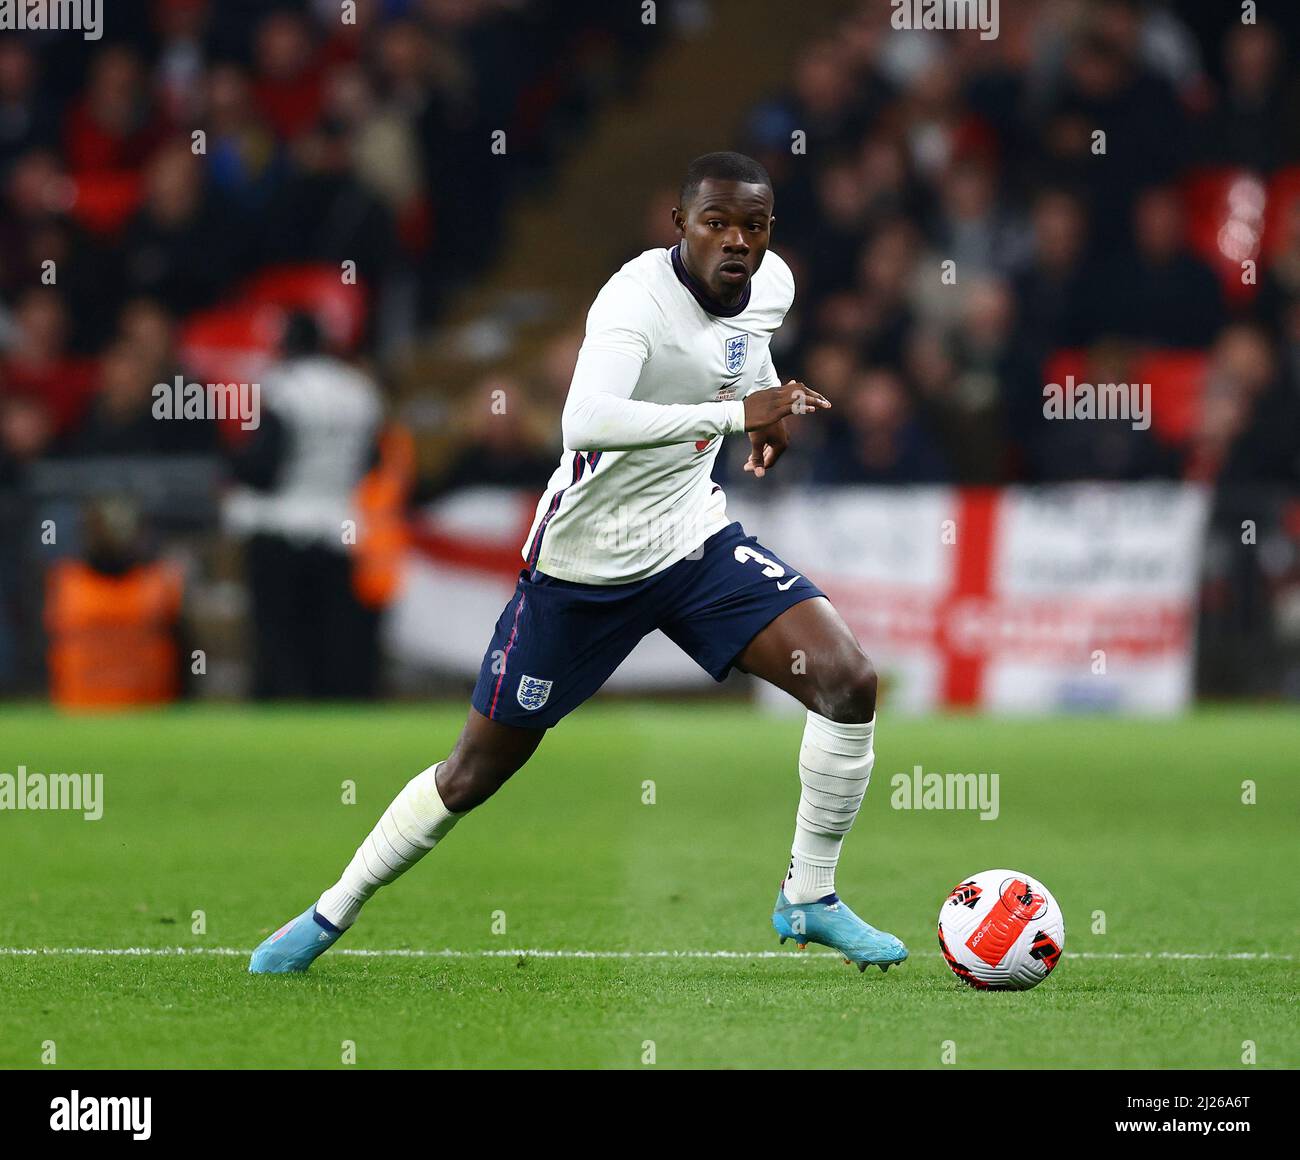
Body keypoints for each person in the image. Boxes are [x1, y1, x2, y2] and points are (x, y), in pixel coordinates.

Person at [250, 152, 907, 974]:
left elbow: (746, 350)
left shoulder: (772, 285)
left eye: (754, 224)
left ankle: (809, 897)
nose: (737, 241)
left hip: (692, 543)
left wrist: (769, 405)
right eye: (717, 223)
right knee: (474, 773)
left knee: (848, 680)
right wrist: (740, 413)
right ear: (680, 226)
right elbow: (584, 420)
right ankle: (325, 915)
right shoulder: (633, 298)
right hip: (582, 571)